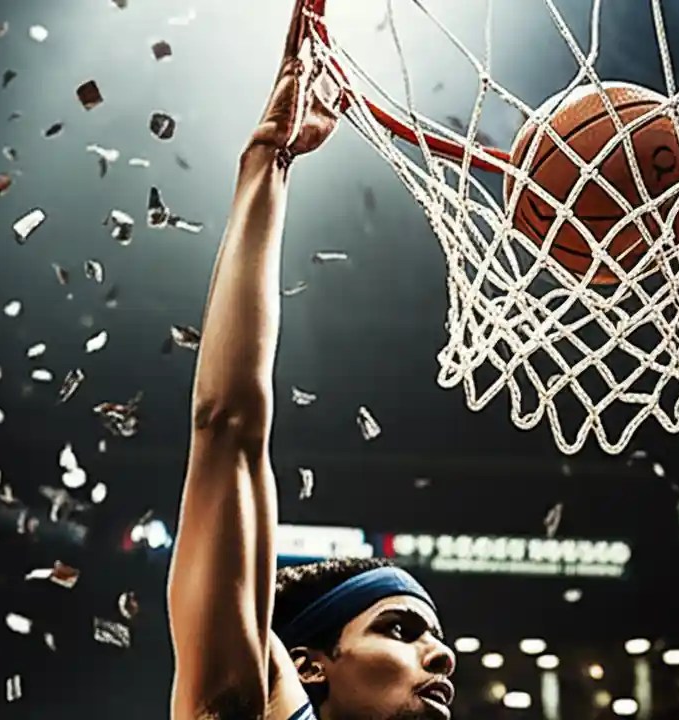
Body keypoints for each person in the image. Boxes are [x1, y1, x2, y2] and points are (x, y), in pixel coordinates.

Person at [165, 3, 457, 720]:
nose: (445, 654)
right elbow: (227, 425)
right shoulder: (241, 704)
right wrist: (269, 159)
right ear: (304, 668)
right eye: (399, 628)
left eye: (427, 634)